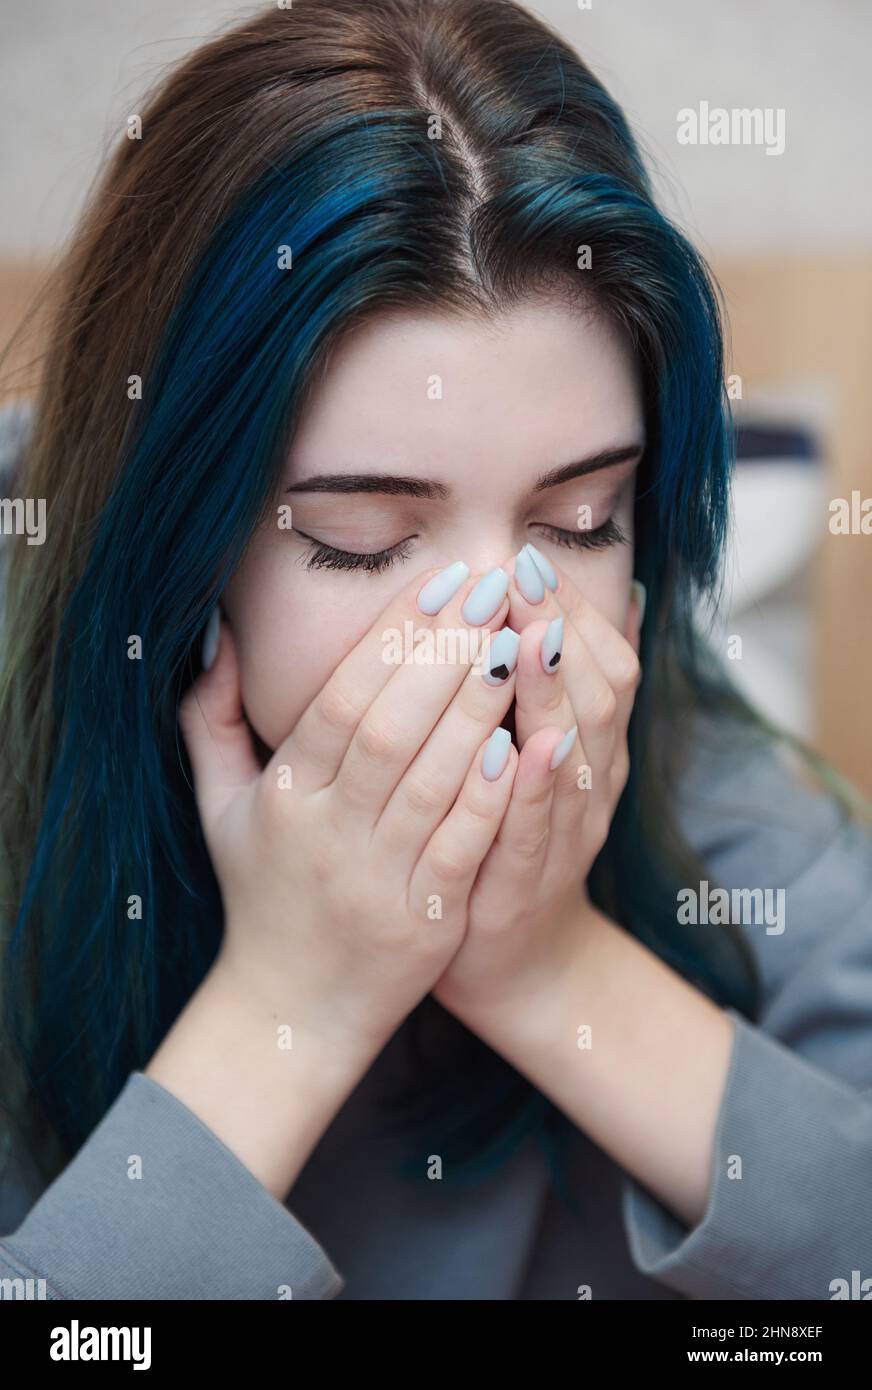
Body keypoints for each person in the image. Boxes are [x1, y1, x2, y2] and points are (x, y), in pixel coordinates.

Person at [1, 0, 870, 1302]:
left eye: (579, 521)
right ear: (176, 556)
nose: (495, 648)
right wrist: (290, 1002)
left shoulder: (761, 855)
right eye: (359, 538)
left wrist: (548, 964)